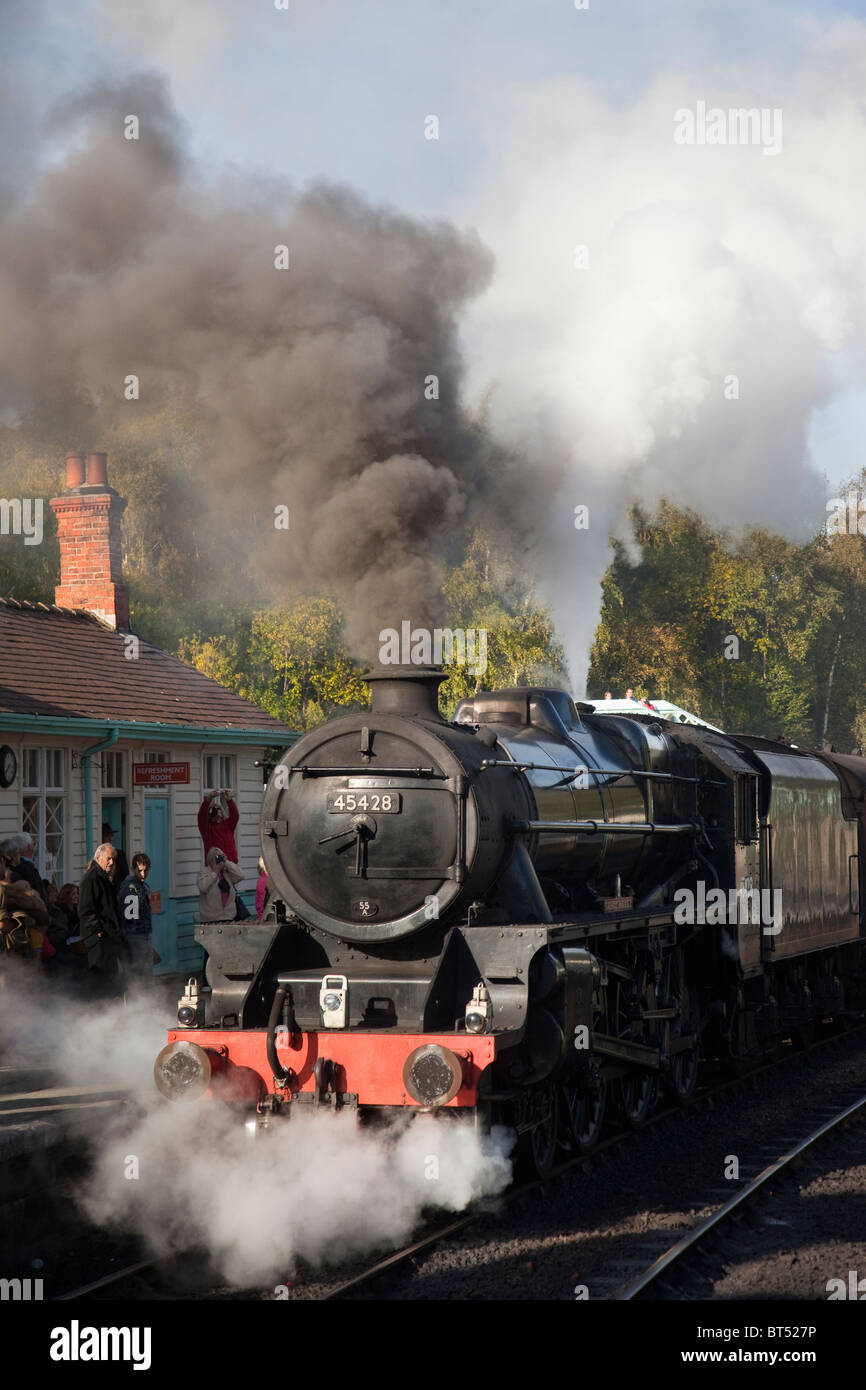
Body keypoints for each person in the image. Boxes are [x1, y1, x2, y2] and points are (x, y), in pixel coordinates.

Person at [79, 843, 129, 995]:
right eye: (108, 859)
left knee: (111, 979)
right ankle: (97, 1012)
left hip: (109, 936)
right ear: (98, 858)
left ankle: (109, 1013)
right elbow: (85, 909)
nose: (111, 862)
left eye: (113, 859)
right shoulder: (91, 878)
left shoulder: (104, 878)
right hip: (98, 938)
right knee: (99, 980)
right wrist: (98, 930)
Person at [197, 847, 248, 923]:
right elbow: (203, 887)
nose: (219, 859)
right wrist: (215, 872)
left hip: (228, 917)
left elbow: (241, 875)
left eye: (221, 857)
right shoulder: (204, 872)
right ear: (210, 860)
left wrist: (226, 862)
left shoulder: (226, 872)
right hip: (211, 919)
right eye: (217, 857)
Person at [198, 789, 239, 863]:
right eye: (214, 809)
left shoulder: (228, 825)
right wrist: (209, 798)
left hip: (231, 864)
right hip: (215, 866)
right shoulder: (207, 828)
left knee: (240, 874)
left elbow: (235, 816)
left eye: (218, 808)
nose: (217, 810)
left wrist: (229, 801)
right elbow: (202, 816)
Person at [116, 854, 152, 934]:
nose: (143, 874)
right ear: (133, 869)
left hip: (141, 932)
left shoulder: (142, 886)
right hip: (135, 934)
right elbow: (129, 915)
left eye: (145, 870)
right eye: (139, 871)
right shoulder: (131, 886)